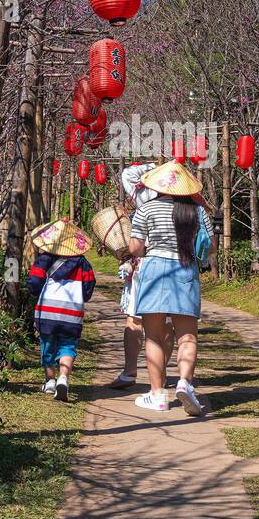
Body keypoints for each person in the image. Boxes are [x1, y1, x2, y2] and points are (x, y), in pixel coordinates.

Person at [128, 161, 214, 416]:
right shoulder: (198, 212)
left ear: (158, 185)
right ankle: (185, 383)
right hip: (185, 270)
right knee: (187, 336)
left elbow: (135, 248)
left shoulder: (146, 209)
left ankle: (157, 396)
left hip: (154, 270)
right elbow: (211, 247)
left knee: (153, 336)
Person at [27, 219, 97, 402]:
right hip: (72, 312)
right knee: (68, 346)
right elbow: (88, 290)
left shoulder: (44, 259)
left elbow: (34, 283)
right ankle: (63, 378)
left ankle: (50, 380)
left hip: (47, 311)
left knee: (47, 344)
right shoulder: (84, 264)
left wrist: (35, 292)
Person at [107, 160, 156, 390]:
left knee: (135, 319)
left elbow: (128, 174)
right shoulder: (184, 203)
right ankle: (161, 375)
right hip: (174, 268)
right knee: (163, 324)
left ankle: (129, 372)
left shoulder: (144, 200)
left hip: (144, 265)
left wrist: (152, 165)